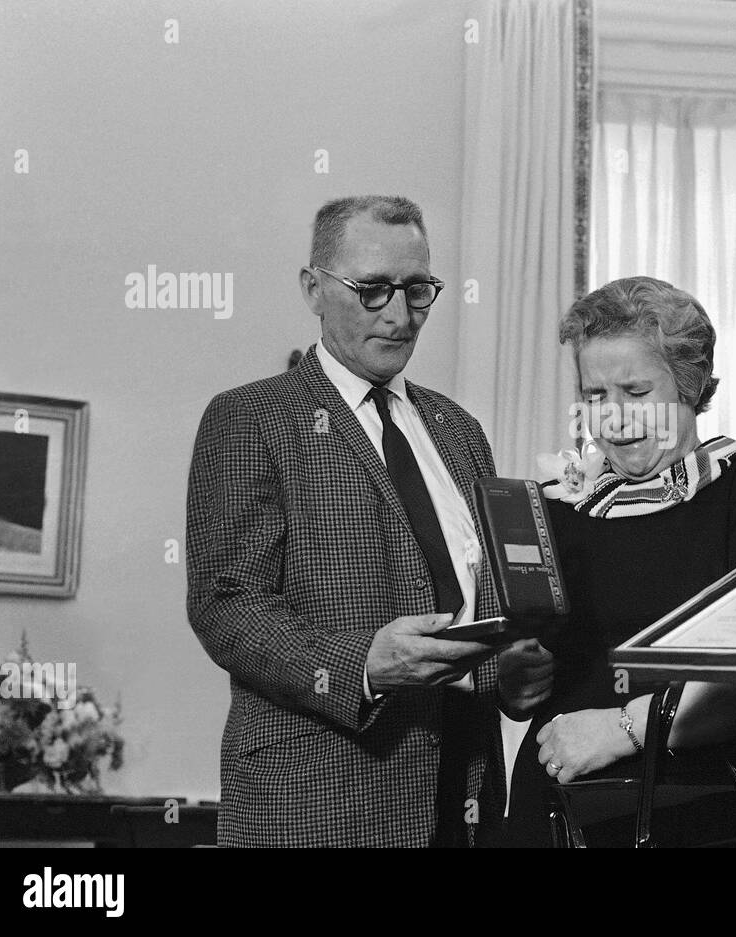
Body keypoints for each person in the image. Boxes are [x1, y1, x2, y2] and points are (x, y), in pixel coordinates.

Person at [186, 196, 522, 847]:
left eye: (418, 289)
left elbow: (480, 604)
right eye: (371, 290)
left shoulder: (460, 430)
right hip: (321, 806)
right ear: (314, 287)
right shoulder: (250, 417)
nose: (399, 316)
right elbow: (227, 605)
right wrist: (364, 663)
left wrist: (516, 669)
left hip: (464, 798)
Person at [496, 276, 736, 847]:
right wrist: (513, 682)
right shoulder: (551, 507)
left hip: (713, 811)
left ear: (691, 387)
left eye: (636, 392)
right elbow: (526, 673)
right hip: (556, 815)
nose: (613, 418)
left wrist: (625, 729)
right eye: (595, 396)